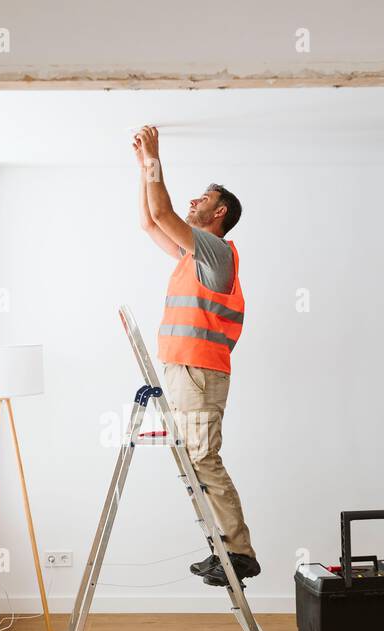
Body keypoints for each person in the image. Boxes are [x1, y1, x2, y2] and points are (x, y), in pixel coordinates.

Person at [132, 124, 260, 588]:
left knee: (204, 458)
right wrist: (139, 165)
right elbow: (150, 221)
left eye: (203, 198)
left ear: (219, 211)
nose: (194, 202)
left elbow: (163, 212)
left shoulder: (217, 252)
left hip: (199, 372)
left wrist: (155, 158)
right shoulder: (192, 255)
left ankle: (239, 553)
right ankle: (225, 547)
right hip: (184, 370)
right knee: (195, 459)